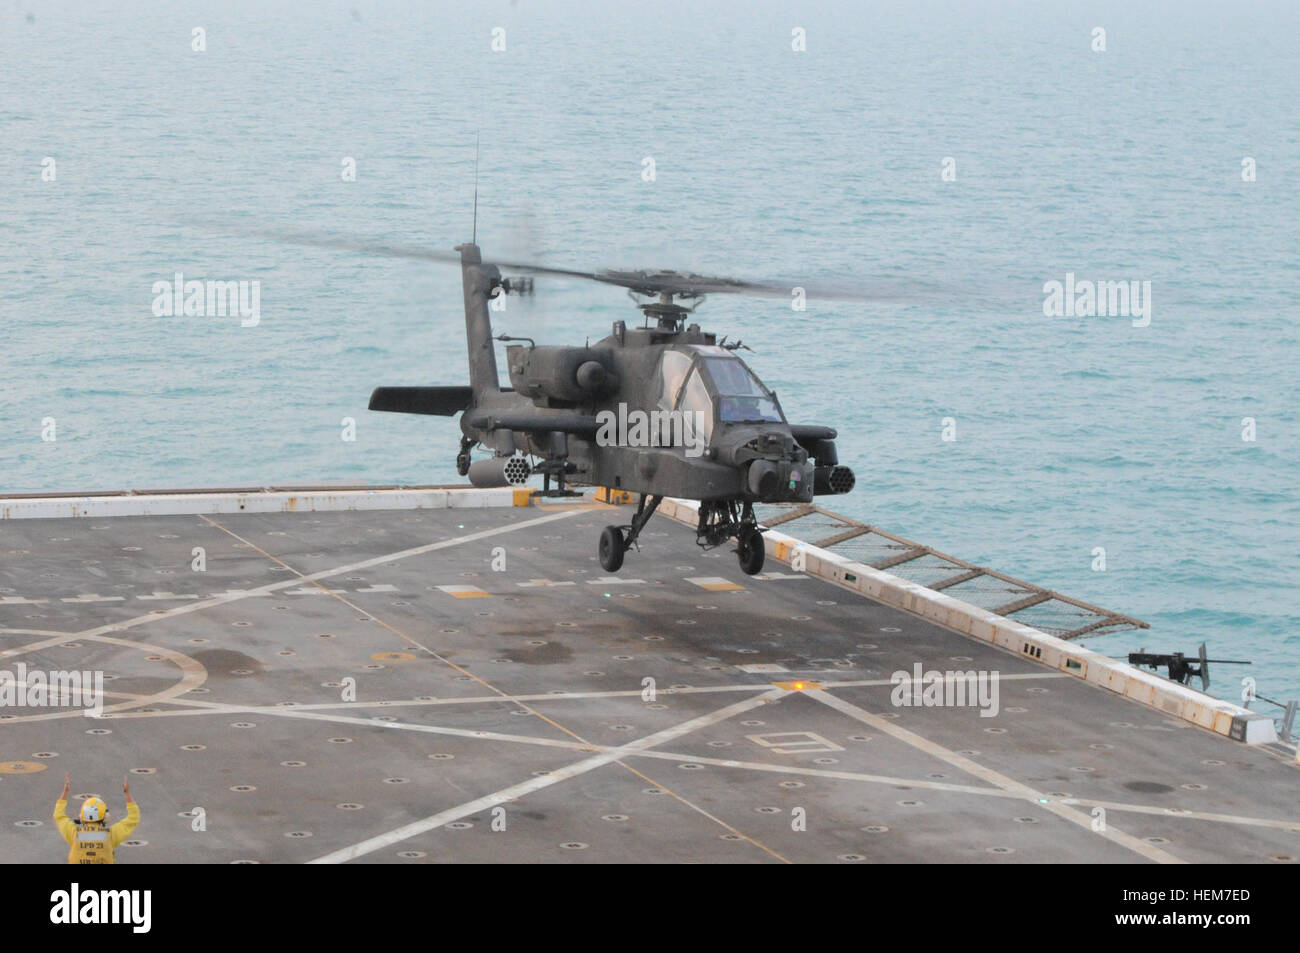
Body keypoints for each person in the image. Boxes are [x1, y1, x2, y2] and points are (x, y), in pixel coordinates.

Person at [53, 773, 140, 864]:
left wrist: (65, 792)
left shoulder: (74, 834)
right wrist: (127, 793)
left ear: (82, 817)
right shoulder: (111, 835)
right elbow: (133, 818)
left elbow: (59, 816)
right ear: (105, 817)